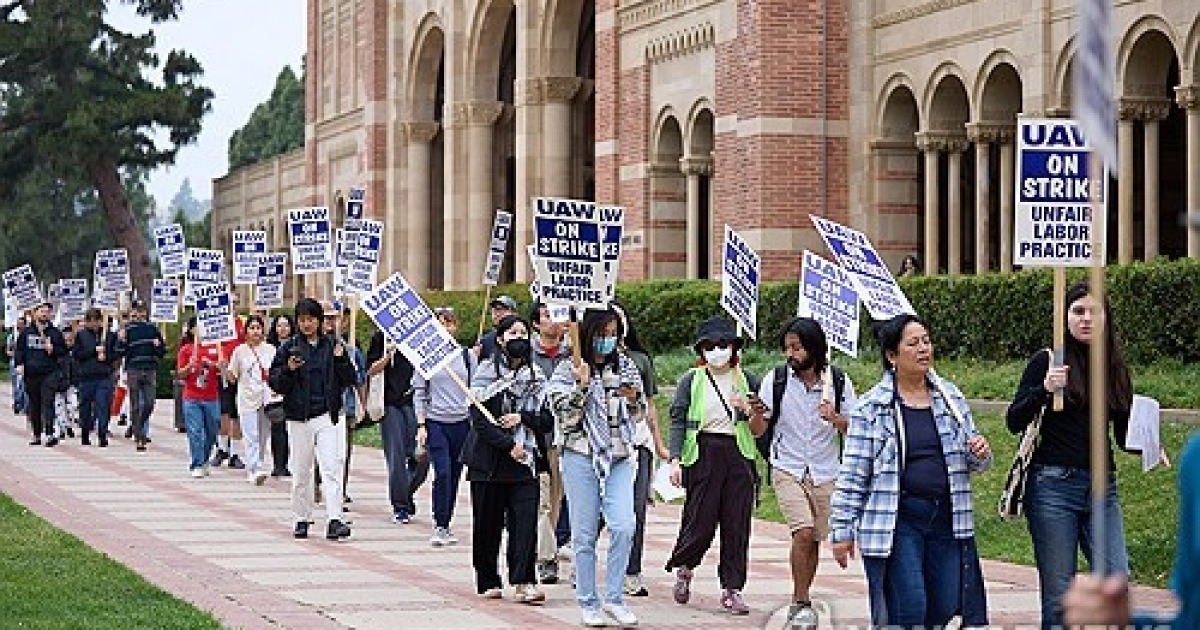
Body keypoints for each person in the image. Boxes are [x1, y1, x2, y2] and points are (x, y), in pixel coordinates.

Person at [829, 313, 993, 628]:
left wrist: (980, 453)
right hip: (899, 519)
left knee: (945, 603)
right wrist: (842, 530)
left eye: (926, 341)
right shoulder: (872, 408)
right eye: (913, 343)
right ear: (892, 356)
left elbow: (975, 461)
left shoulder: (950, 397)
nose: (923, 349)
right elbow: (853, 474)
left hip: (946, 517)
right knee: (910, 605)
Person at [1005, 281, 1137, 628]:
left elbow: (1123, 435)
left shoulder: (1114, 368)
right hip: (1052, 487)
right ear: (1064, 318)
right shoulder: (1048, 361)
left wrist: (1148, 443)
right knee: (1059, 593)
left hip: (1101, 489)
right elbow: (1013, 419)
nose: (1086, 319)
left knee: (1116, 580)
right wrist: (1044, 389)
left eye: (1094, 311)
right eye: (1078, 311)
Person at [758, 317, 856, 630]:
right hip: (787, 467)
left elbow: (857, 430)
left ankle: (804, 599)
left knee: (814, 538)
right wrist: (755, 415)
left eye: (797, 347)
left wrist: (836, 418)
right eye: (787, 347)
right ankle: (800, 602)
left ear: (813, 348)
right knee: (801, 532)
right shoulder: (776, 380)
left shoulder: (838, 382)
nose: (791, 354)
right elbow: (759, 428)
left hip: (827, 471)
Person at [549, 307, 644, 627]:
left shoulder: (625, 365)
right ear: (588, 334)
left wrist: (633, 400)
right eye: (602, 334)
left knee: (623, 525)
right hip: (580, 455)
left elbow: (639, 410)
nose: (608, 340)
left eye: (613, 333)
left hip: (618, 456)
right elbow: (564, 417)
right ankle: (588, 602)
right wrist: (582, 387)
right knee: (584, 534)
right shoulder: (567, 368)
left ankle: (615, 598)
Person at [664, 317, 764, 616]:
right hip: (703, 453)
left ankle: (732, 589)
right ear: (701, 350)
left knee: (737, 525)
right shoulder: (691, 380)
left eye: (723, 344)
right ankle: (684, 566)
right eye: (710, 346)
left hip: (738, 455)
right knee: (699, 521)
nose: (717, 350)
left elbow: (762, 425)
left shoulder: (747, 380)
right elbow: (679, 420)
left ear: (734, 347)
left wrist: (747, 409)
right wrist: (675, 458)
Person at [1063, 434, 1198, 630]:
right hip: (1055, 482)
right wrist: (1124, 621)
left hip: (1101, 486)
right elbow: (1190, 621)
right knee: (1060, 594)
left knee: (1116, 572)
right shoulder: (1196, 460)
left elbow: (1124, 430)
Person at [462, 314, 550, 605]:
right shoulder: (486, 372)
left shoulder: (537, 377)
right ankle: (487, 578)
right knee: (487, 525)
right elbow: (479, 419)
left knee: (525, 524)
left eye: (523, 333)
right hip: (489, 463)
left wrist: (523, 418)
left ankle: (524, 580)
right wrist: (507, 445)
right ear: (500, 339)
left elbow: (547, 420)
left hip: (525, 464)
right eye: (512, 333)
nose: (519, 338)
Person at [268, 297, 357, 541]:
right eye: (303, 320)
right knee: (301, 471)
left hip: (328, 415)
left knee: (331, 468)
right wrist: (288, 369)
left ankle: (334, 518)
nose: (307, 324)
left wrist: (341, 360)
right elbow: (276, 383)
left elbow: (350, 378)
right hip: (299, 417)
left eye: (311, 319)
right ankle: (301, 517)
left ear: (319, 322)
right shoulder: (288, 348)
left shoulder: (332, 346)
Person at [610, 303, 669, 599]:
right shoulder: (588, 360)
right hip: (601, 445)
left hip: (638, 443)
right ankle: (582, 565)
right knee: (595, 510)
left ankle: (631, 572)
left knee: (636, 510)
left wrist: (658, 444)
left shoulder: (640, 360)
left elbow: (650, 405)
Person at [414, 306, 475, 546]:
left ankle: (446, 522)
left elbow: (476, 386)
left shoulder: (466, 356)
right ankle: (439, 523)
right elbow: (419, 393)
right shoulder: (426, 358)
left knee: (456, 475)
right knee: (442, 472)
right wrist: (421, 424)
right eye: (441, 324)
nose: (446, 328)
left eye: (450, 323)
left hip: (461, 422)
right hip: (436, 421)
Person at [529, 301, 573, 584]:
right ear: (536, 323)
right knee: (542, 502)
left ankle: (551, 548)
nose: (554, 321)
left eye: (558, 315)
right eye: (547, 315)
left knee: (556, 501)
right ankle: (546, 559)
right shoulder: (526, 355)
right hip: (533, 438)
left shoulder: (573, 356)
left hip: (563, 439)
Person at [367, 326, 429, 524]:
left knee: (422, 457)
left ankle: (405, 493)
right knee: (396, 458)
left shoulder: (419, 337)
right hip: (391, 404)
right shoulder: (381, 338)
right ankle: (400, 506)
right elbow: (370, 370)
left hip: (415, 404)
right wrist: (387, 356)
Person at [226, 315, 277, 485]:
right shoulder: (239, 351)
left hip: (267, 397)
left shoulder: (271, 350)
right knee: (251, 435)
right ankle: (253, 468)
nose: (255, 331)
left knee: (263, 435)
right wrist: (224, 369)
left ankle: (259, 464)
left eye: (258, 328)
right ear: (246, 331)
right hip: (247, 398)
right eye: (252, 328)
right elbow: (233, 378)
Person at [14, 302, 67, 446]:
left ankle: (50, 433)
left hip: (49, 373)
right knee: (34, 404)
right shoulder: (26, 332)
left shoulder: (54, 332)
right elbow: (19, 350)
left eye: (47, 311)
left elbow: (63, 351)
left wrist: (53, 349)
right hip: (31, 373)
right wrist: (19, 364)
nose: (44, 314)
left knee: (48, 402)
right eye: (41, 311)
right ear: (35, 313)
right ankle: (37, 434)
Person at [117, 299, 166, 452]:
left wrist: (159, 345)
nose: (139, 314)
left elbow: (162, 352)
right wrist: (121, 339)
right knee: (135, 404)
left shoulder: (152, 328)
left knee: (150, 403)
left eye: (142, 310)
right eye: (137, 311)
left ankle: (136, 425)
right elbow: (119, 351)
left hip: (149, 368)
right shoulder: (128, 329)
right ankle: (139, 437)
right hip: (133, 369)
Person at [177, 317, 224, 475]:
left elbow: (223, 373)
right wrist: (189, 366)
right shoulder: (186, 350)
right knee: (195, 431)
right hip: (192, 397)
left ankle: (204, 458)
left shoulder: (215, 347)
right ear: (191, 330)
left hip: (211, 397)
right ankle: (197, 463)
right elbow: (180, 374)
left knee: (212, 430)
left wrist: (218, 365)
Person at [73, 308, 120, 447]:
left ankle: (102, 433)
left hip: (104, 376)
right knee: (85, 407)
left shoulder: (110, 336)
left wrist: (107, 357)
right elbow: (77, 355)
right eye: (90, 321)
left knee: (103, 405)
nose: (94, 324)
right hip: (86, 376)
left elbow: (116, 354)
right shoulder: (81, 335)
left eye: (96, 320)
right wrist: (93, 351)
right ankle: (85, 433)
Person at [211, 295, 246, 469]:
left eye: (236, 303)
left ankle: (236, 453)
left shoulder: (243, 323)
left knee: (236, 413)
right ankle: (222, 448)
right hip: (222, 372)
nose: (233, 306)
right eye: (230, 303)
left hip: (240, 374)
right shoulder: (218, 325)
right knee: (224, 412)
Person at [266, 314, 296, 476]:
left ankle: (287, 462)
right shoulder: (269, 347)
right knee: (277, 429)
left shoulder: (297, 345)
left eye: (286, 325)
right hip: (274, 395)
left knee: (289, 431)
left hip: (292, 394)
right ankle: (279, 464)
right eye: (279, 325)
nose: (283, 329)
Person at [478, 295, 519, 360]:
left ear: (514, 313)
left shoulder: (522, 337)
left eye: (501, 310)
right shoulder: (485, 341)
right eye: (494, 310)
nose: (497, 314)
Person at [7, 315, 28, 414]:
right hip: (14, 362)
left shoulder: (27, 335)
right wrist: (14, 353)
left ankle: (22, 404)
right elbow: (8, 351)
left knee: (23, 385)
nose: (20, 325)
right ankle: (17, 402)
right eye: (18, 324)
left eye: (21, 324)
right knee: (16, 384)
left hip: (25, 362)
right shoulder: (12, 336)